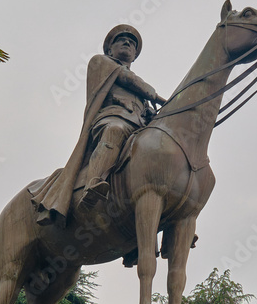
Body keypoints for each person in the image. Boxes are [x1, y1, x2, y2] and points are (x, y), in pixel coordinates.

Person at [32, 24, 165, 226]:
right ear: (110, 49)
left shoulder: (141, 97)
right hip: (111, 119)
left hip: (138, 127)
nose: (127, 42)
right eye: (121, 39)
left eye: (132, 43)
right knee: (115, 130)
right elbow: (129, 79)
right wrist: (160, 98)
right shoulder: (101, 63)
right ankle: (93, 185)